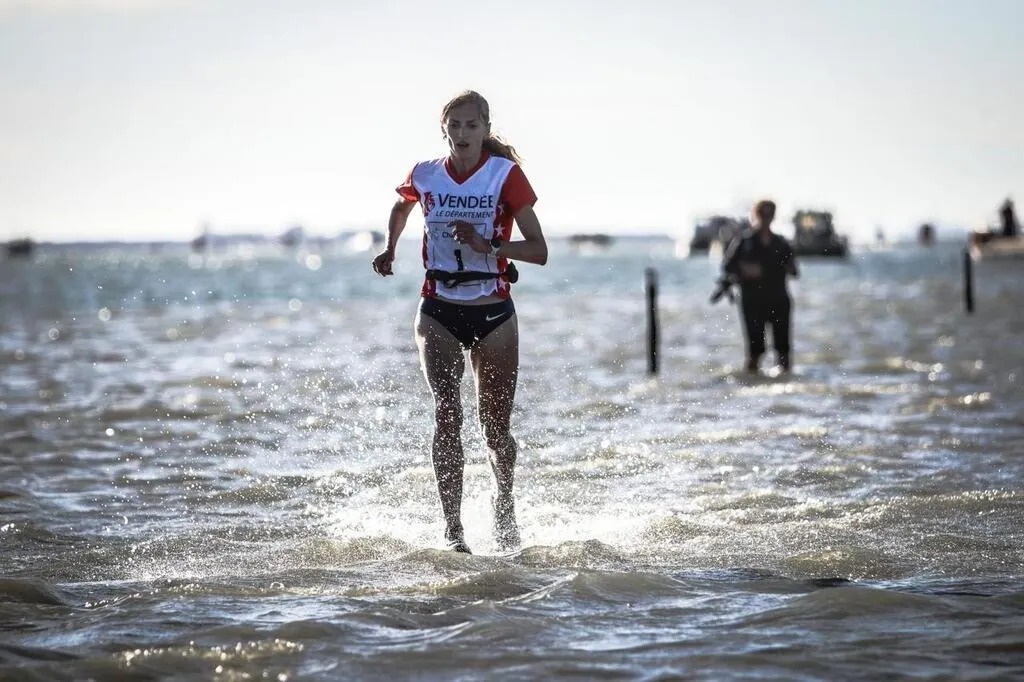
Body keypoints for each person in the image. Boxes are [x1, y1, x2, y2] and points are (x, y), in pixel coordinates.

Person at [371, 90, 548, 554]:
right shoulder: (425, 172)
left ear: (486, 129)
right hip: (438, 306)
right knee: (447, 414)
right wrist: (390, 247)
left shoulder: (504, 176)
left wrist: (490, 246)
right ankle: (453, 529)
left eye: (473, 126)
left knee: (495, 428)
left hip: (492, 309)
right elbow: (402, 205)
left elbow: (539, 251)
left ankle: (504, 503)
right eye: (457, 125)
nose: (465, 134)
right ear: (444, 129)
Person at [721, 199, 799, 373]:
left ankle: (784, 387)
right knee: (755, 351)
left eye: (770, 213)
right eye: (763, 213)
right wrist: (744, 270)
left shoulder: (781, 243)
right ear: (756, 215)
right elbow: (727, 266)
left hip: (779, 300)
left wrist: (779, 266)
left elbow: (794, 271)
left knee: (783, 350)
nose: (766, 217)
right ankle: (753, 385)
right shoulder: (744, 241)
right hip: (753, 302)